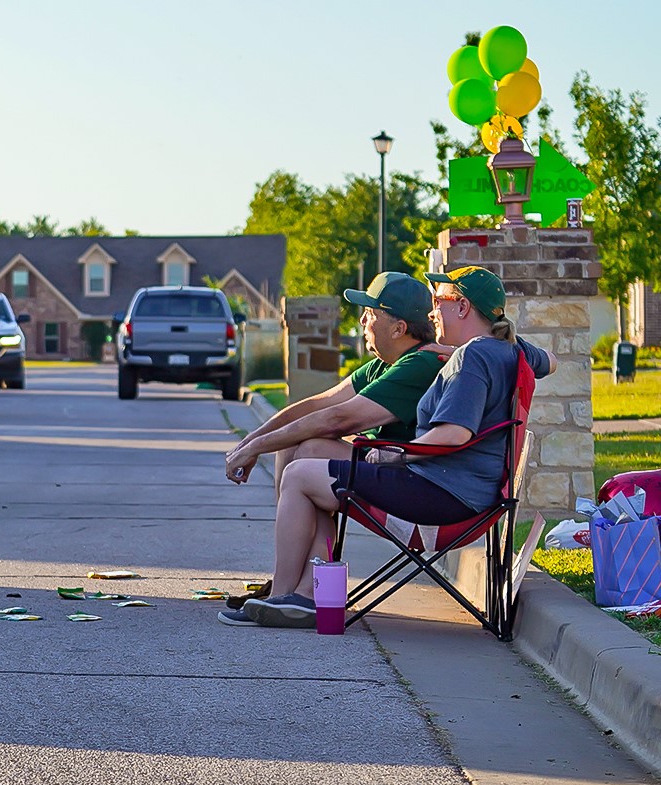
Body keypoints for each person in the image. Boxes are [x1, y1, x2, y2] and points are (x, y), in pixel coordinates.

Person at [227, 266, 553, 629]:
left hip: (440, 493)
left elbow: (453, 434)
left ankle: (285, 597)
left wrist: (395, 454)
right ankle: (303, 593)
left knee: (301, 473)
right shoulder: (501, 349)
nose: (432, 312)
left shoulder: (472, 358)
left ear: (462, 307)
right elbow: (550, 361)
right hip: (462, 490)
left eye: (438, 301)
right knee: (308, 465)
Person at [224, 273, 443, 498]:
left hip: (411, 482)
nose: (362, 321)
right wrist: (249, 442)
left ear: (398, 329)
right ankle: (304, 533)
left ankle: (298, 532)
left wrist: (256, 448)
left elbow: (337, 420)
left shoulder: (420, 364)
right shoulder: (383, 364)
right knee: (290, 444)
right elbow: (317, 405)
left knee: (310, 451)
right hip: (382, 465)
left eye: (370, 313)